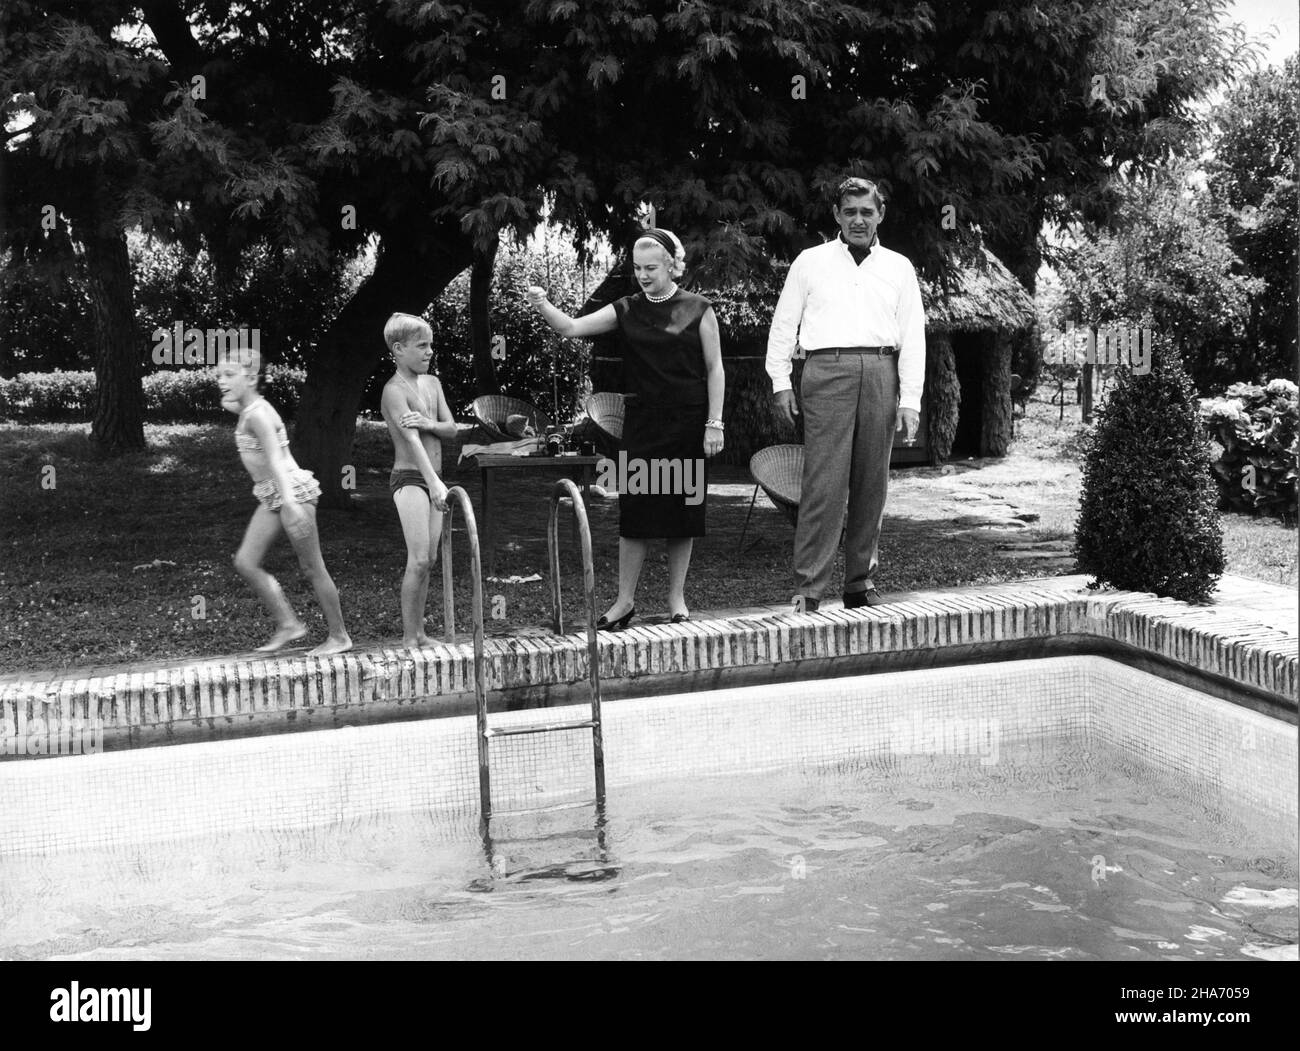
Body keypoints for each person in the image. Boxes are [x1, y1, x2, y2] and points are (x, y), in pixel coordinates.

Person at [526, 228, 725, 627]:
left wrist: (714, 423)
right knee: (635, 512)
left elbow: (715, 368)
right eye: (637, 268)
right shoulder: (626, 308)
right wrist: (543, 303)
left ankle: (676, 601)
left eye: (651, 267)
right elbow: (570, 328)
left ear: (672, 265)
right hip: (643, 424)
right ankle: (624, 601)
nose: (643, 275)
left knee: (681, 512)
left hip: (686, 423)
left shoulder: (700, 308)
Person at [766, 176, 925, 612]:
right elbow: (783, 326)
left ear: (880, 215)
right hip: (826, 368)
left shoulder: (899, 267)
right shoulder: (809, 262)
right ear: (837, 215)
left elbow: (913, 335)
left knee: (872, 481)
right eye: (850, 211)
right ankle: (809, 587)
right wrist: (781, 381)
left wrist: (910, 398)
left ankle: (860, 583)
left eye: (866, 211)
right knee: (823, 482)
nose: (858, 219)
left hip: (880, 369)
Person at [217, 345, 353, 656]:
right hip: (272, 495)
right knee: (246, 562)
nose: (221, 381)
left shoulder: (259, 415)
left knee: (311, 567)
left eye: (229, 375)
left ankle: (339, 636)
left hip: (292, 492)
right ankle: (289, 624)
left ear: (250, 378)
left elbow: (277, 460)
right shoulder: (250, 409)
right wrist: (233, 398)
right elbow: (238, 409)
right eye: (219, 375)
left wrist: (290, 502)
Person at [380, 312, 453, 648]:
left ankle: (421, 633)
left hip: (434, 477)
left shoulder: (433, 384)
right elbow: (410, 440)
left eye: (431, 346)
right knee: (419, 557)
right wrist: (433, 483)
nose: (429, 352)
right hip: (410, 478)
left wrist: (427, 423)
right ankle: (410, 637)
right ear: (398, 348)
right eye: (422, 346)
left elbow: (450, 429)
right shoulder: (393, 391)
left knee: (431, 559)